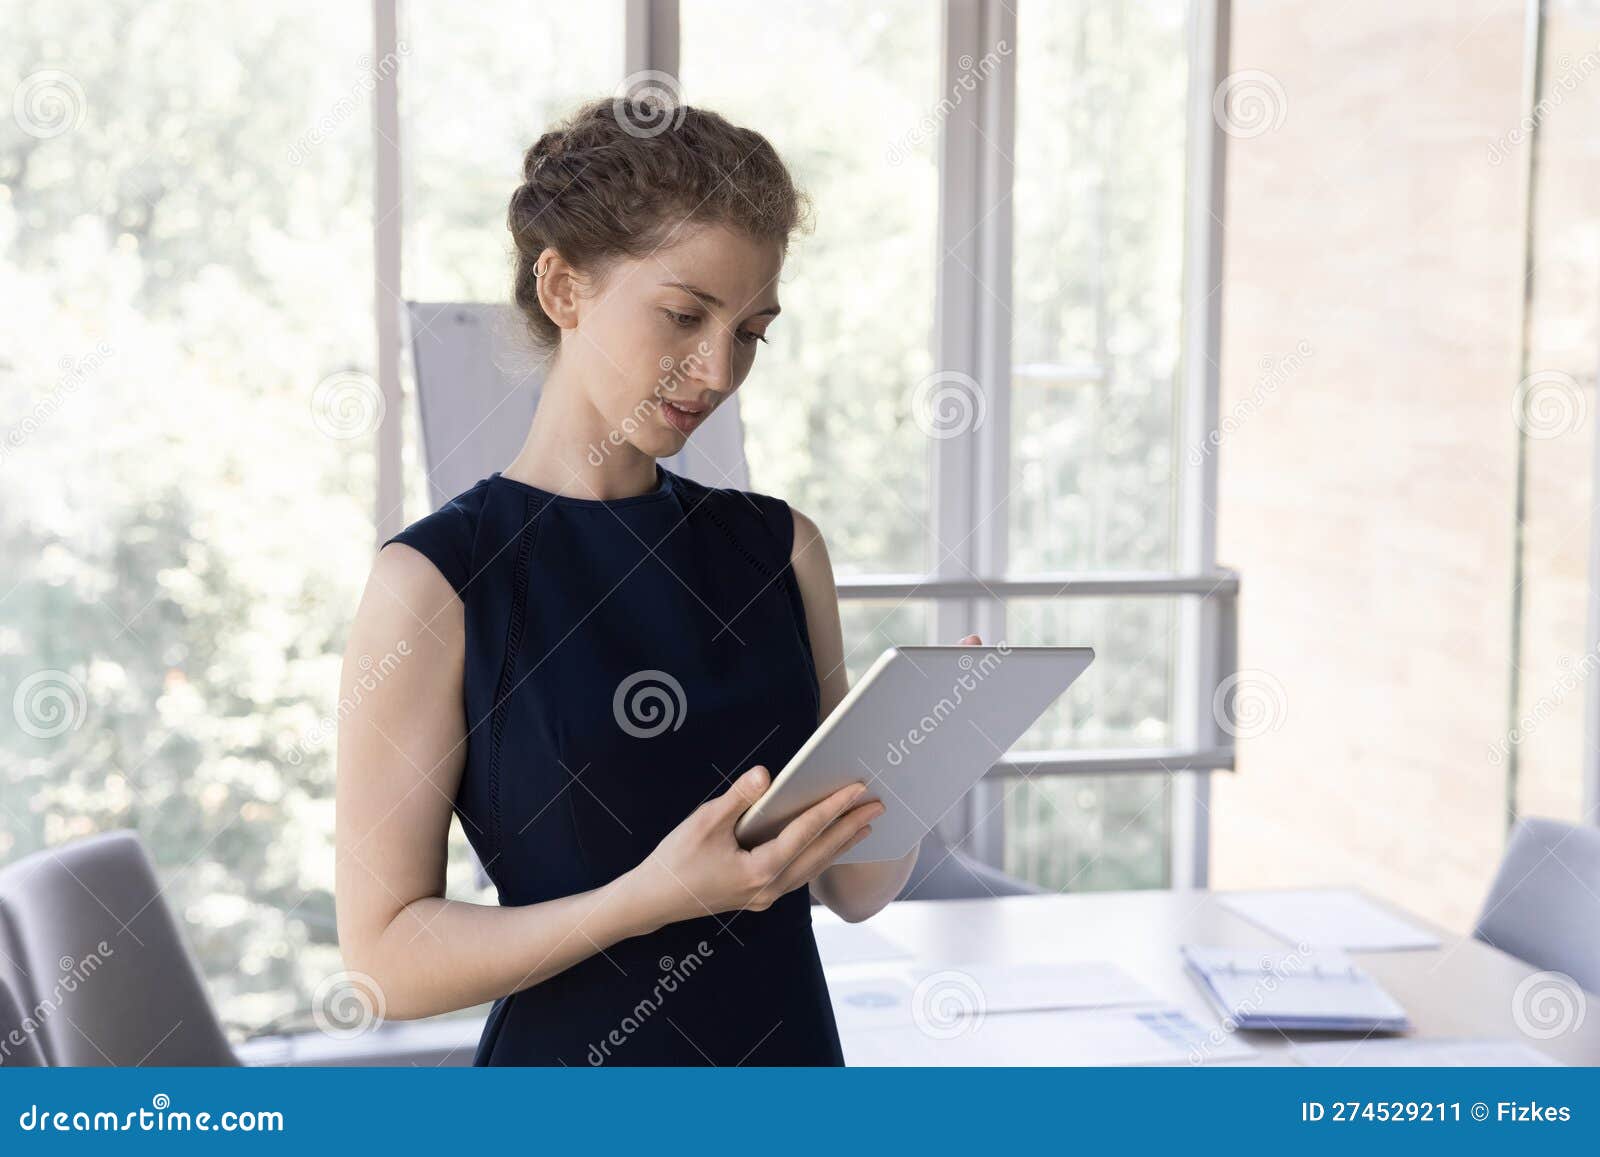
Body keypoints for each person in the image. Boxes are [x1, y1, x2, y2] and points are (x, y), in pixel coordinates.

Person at [335, 95, 978, 1066]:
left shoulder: (781, 549)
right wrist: (649, 900)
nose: (717, 369)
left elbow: (849, 886)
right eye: (684, 314)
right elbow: (384, 958)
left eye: (752, 330)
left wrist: (936, 746)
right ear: (563, 289)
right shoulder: (436, 581)